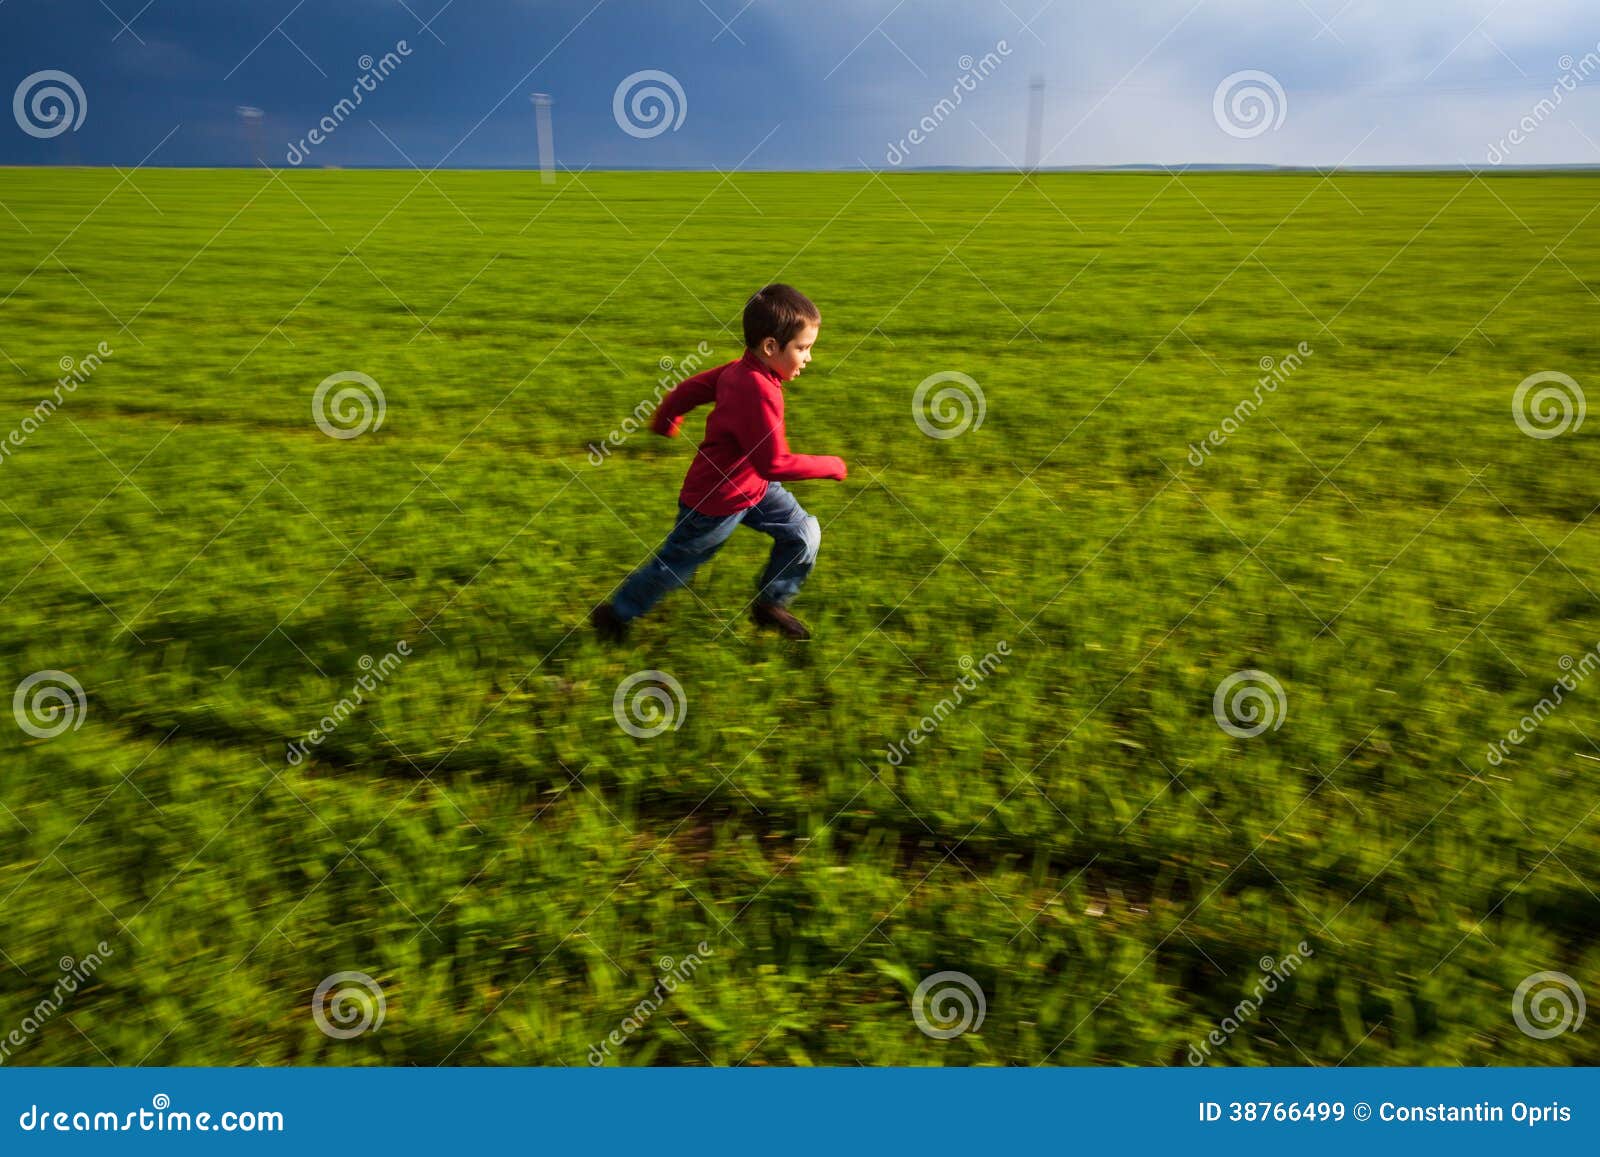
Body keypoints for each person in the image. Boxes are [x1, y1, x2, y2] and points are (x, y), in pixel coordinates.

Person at [592, 284, 847, 642]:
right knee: (674, 568)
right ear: (771, 346)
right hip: (715, 502)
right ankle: (615, 615)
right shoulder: (758, 389)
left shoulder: (742, 369)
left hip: (754, 489)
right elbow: (774, 462)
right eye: (803, 348)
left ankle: (770, 605)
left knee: (804, 534)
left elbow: (687, 391)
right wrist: (831, 465)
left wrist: (667, 419)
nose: (809, 358)